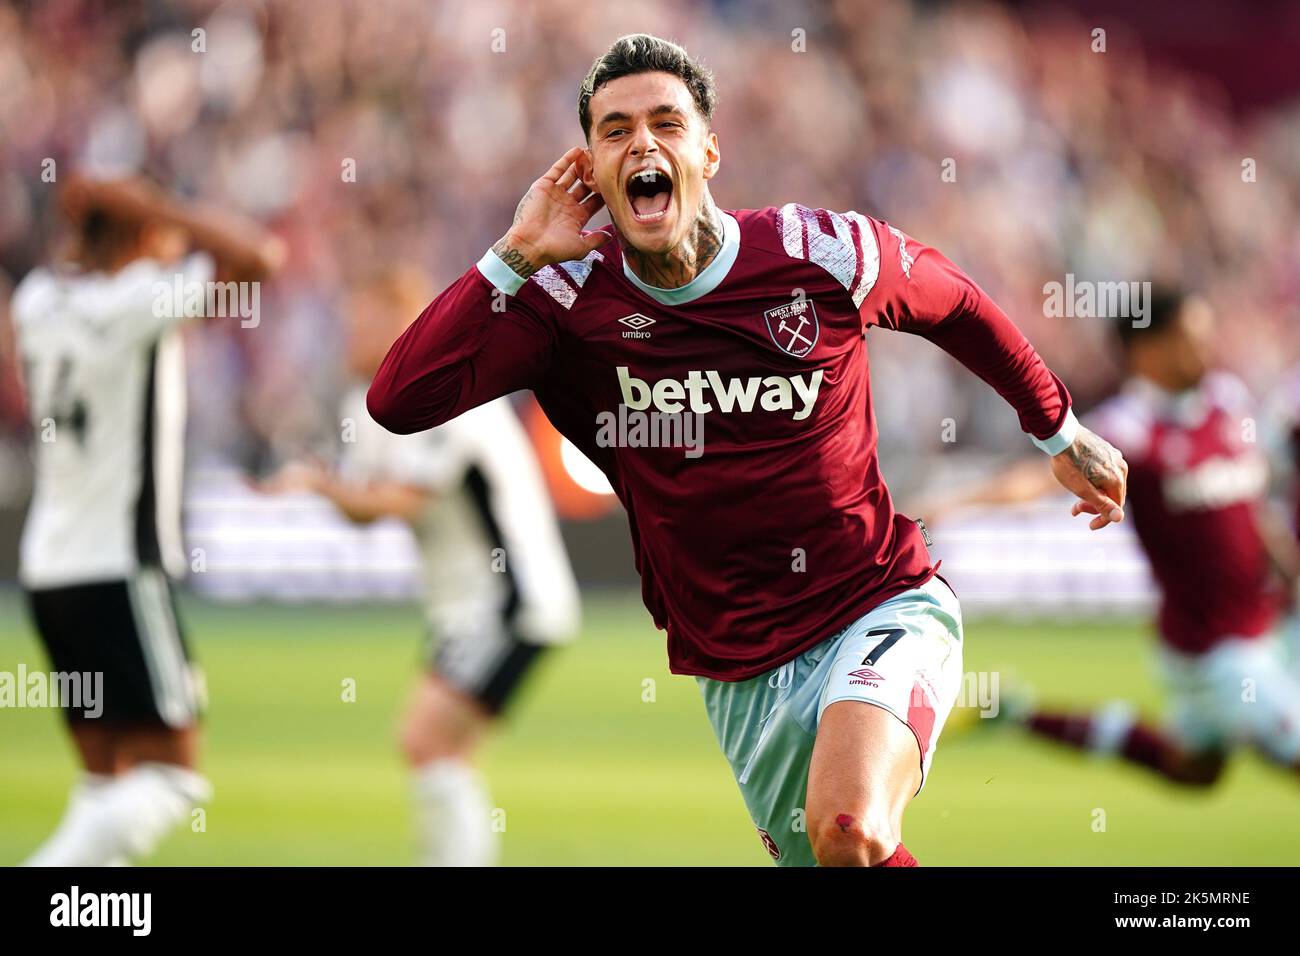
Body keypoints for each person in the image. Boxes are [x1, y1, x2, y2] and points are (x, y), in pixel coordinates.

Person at [366, 34, 1127, 866]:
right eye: (616, 131)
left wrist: (1058, 429)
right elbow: (400, 402)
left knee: (851, 829)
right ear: (588, 167)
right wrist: (512, 257)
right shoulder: (564, 302)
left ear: (709, 150)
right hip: (734, 664)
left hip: (876, 603)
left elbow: (957, 304)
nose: (643, 144)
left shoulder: (819, 252)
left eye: (666, 123)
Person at [263, 265, 579, 865]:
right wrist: (323, 485)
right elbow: (366, 511)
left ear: (398, 327)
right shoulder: (368, 405)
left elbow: (402, 499)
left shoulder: (451, 395)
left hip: (511, 602)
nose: (348, 336)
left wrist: (315, 484)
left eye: (361, 322)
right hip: (467, 606)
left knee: (426, 741)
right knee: (441, 752)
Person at [917, 290, 1300, 785]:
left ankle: (1017, 713)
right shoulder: (1130, 428)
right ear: (1148, 351)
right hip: (1215, 648)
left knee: (1193, 767)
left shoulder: (1228, 401)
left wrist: (1284, 562)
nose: (1206, 349)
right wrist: (952, 506)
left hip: (1268, 622)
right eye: (1191, 340)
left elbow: (1248, 510)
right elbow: (1039, 479)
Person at [16, 174, 282, 865]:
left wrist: (126, 215)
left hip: (49, 571)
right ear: (140, 232)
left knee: (104, 785)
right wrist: (163, 206)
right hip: (119, 565)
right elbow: (260, 259)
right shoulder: (140, 300)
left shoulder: (36, 299)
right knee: (172, 778)